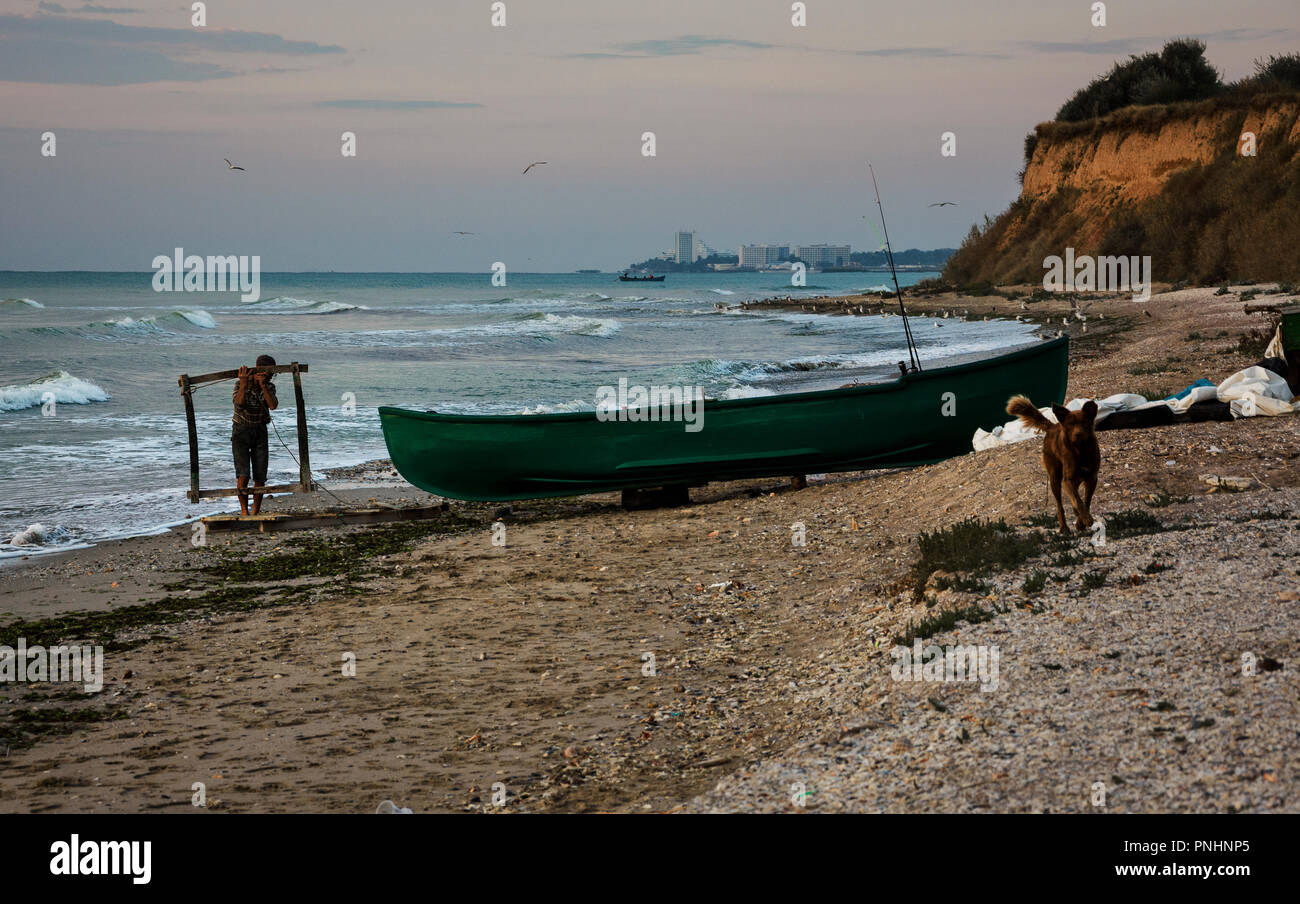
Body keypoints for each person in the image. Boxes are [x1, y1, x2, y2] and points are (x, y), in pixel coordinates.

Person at [232, 354, 279, 515]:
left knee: (260, 475)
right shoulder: (240, 383)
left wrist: (263, 386)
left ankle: (255, 511)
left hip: (260, 430)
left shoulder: (269, 386)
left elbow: (273, 405)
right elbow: (239, 404)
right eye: (269, 373)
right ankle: (244, 510)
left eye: (272, 374)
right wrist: (244, 383)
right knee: (243, 474)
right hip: (241, 430)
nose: (271, 376)